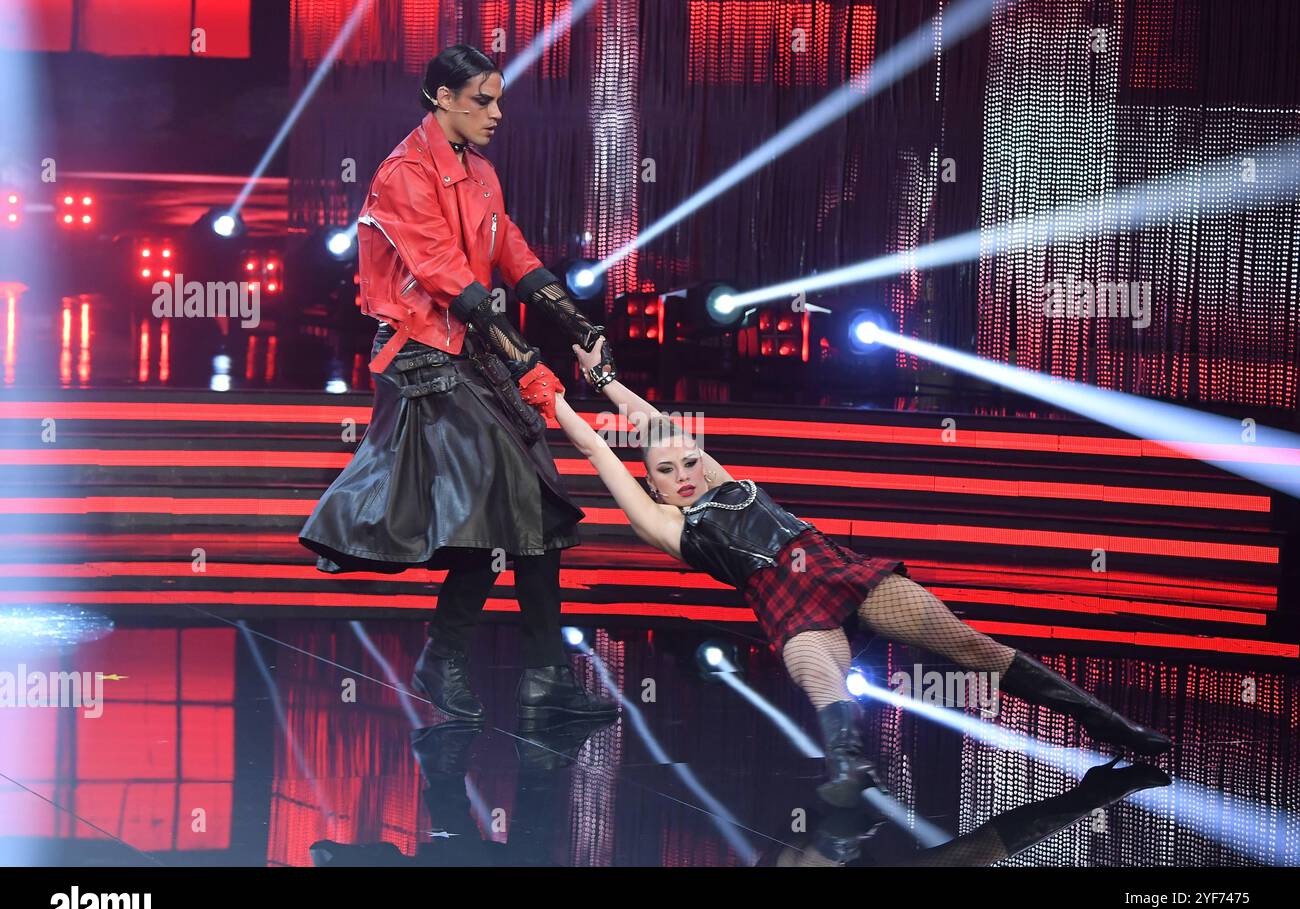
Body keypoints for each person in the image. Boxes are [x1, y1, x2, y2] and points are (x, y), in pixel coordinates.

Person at [511, 338, 1172, 806]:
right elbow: (603, 450)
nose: (682, 476)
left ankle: (1107, 724)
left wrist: (605, 382)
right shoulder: (664, 521)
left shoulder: (711, 474)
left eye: (687, 463)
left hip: (836, 568)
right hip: (785, 604)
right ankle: (850, 770)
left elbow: (654, 428)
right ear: (651, 486)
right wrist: (552, 397)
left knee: (969, 645)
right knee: (823, 680)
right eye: (667, 473)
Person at [298, 44, 617, 723]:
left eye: (499, 99)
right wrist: (528, 360)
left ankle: (542, 679)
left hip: (469, 349)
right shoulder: (404, 174)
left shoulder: (480, 174)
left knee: (536, 507)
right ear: (440, 97)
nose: (497, 113)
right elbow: (451, 280)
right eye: (483, 100)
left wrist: (577, 324)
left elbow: (514, 255)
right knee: (500, 507)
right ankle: (447, 659)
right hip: (423, 357)